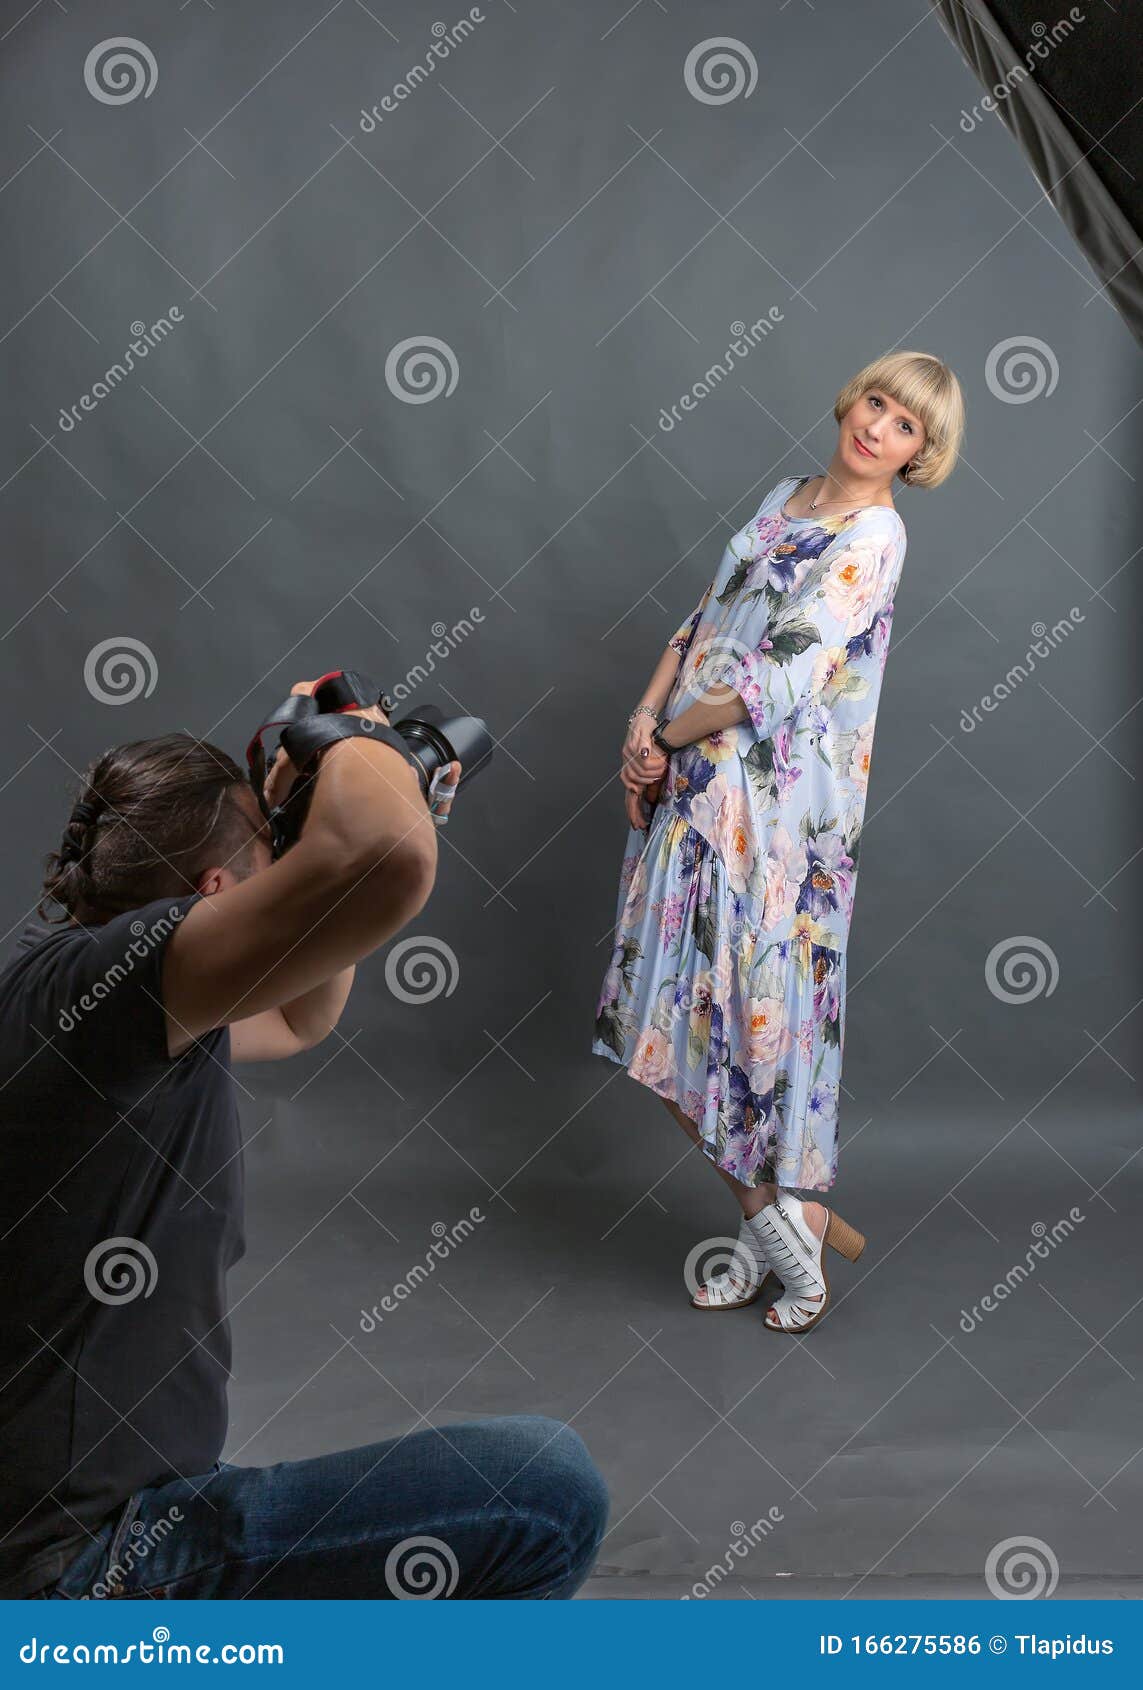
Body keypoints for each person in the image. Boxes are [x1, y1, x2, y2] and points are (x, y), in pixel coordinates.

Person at [0, 683, 608, 1599]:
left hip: (118, 1527)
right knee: (539, 1491)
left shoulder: (82, 1003)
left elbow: (297, 1012)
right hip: (87, 1572)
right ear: (211, 895)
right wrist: (361, 747)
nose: (284, 884)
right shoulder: (117, 987)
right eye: (265, 865)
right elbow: (385, 860)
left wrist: (298, 839)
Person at [593, 350, 965, 1335]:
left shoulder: (875, 535)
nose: (878, 427)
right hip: (688, 784)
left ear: (920, 452)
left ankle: (789, 1250)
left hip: (772, 819)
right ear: (854, 399)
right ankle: (785, 1228)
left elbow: (781, 680)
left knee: (744, 1037)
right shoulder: (786, 495)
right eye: (877, 402)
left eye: (906, 425)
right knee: (663, 1028)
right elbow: (706, 623)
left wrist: (667, 737)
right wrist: (642, 725)